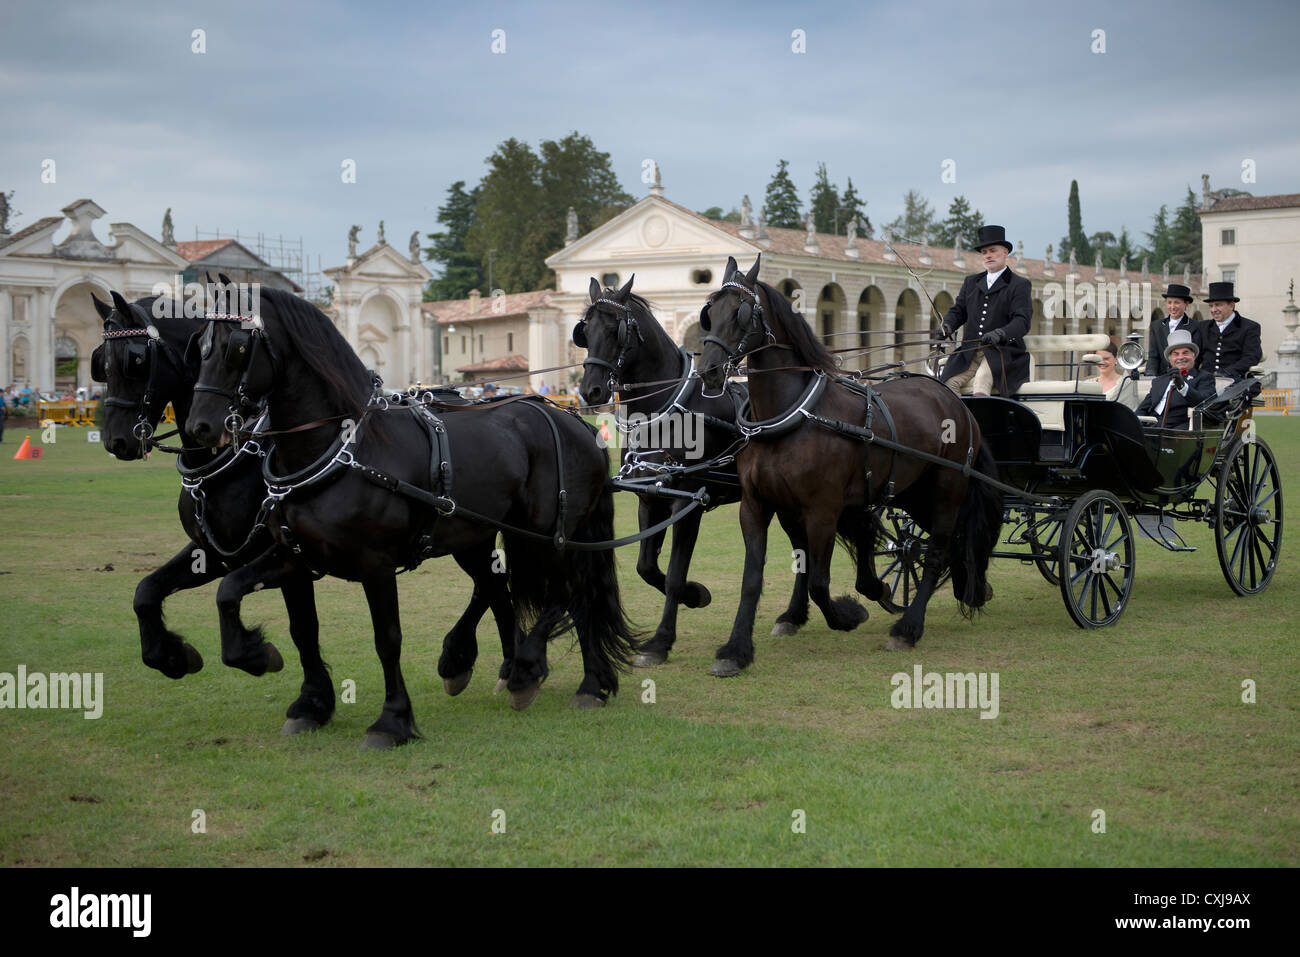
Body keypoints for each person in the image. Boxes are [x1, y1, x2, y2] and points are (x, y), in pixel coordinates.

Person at [938, 224, 1033, 396]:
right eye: (984, 252)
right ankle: (961, 421)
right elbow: (959, 310)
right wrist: (947, 325)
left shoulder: (1019, 285)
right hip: (970, 351)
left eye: (992, 250)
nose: (988, 255)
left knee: (982, 381)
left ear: (1005, 252)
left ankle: (982, 422)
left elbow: (1022, 321)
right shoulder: (971, 282)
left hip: (1002, 352)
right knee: (948, 383)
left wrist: (1000, 333)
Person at [1136, 329, 1216, 429]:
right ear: (1170, 359)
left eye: (1185, 353)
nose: (1181, 357)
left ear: (1193, 356)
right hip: (1152, 428)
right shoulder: (1159, 381)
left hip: (1178, 431)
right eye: (1176, 354)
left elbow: (1205, 403)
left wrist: (1182, 386)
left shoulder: (1204, 378)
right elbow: (1143, 408)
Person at [1197, 281, 1262, 381]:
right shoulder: (1203, 327)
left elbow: (1251, 357)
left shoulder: (1249, 327)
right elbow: (1195, 357)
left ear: (1231, 305)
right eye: (1211, 306)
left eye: (1218, 305)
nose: (1213, 309)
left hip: (1235, 380)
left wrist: (1226, 373)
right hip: (1205, 382)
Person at [1146, 282, 1203, 377]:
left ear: (1186, 304)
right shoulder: (1157, 326)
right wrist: (1151, 374)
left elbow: (1195, 358)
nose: (1172, 307)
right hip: (1162, 376)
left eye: (1177, 302)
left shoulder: (1195, 326)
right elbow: (1153, 355)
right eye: (1169, 302)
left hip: (1185, 376)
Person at [1092, 342, 1139, 410]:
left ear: (1116, 359)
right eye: (1099, 359)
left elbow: (1130, 410)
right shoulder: (1088, 384)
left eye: (1106, 358)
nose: (1102, 362)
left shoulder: (1126, 382)